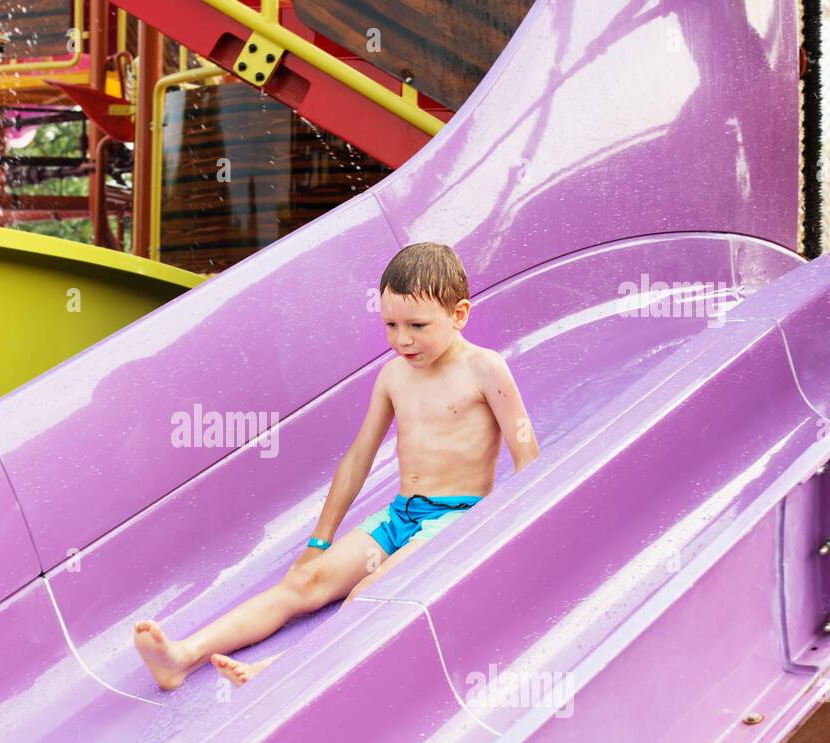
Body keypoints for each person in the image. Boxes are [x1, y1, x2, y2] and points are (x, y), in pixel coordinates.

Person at [134, 242, 540, 690]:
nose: (401, 339)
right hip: (401, 514)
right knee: (306, 580)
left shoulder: (485, 369)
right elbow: (357, 460)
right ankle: (181, 656)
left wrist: (502, 541)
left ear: (459, 314)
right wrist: (319, 541)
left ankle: (284, 669)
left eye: (417, 326)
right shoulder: (394, 376)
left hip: (457, 517)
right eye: (390, 325)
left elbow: (528, 461)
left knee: (373, 590)